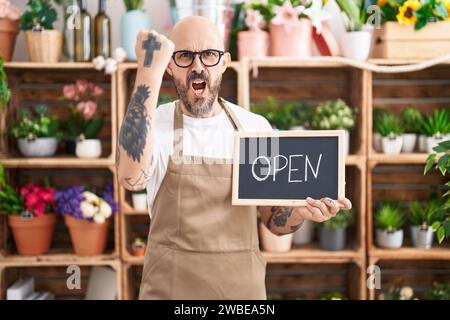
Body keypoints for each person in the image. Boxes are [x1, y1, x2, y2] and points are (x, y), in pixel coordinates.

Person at [116, 16, 352, 300]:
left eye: (209, 55)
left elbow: (274, 220)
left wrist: (302, 211)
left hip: (241, 295)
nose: (197, 66)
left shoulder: (254, 128)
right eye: (184, 56)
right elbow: (130, 177)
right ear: (169, 65)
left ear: (225, 63)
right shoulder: (151, 125)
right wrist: (147, 71)